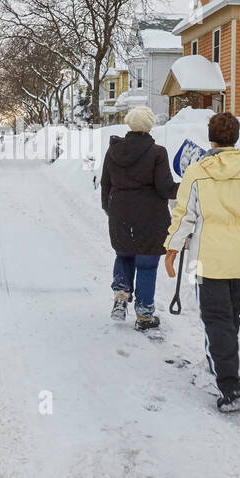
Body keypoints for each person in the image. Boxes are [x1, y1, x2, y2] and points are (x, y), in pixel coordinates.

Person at [164, 112, 240, 413]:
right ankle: (222, 359)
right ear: (235, 138)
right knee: (229, 319)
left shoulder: (196, 172)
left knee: (216, 321)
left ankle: (230, 387)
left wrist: (172, 249)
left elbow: (183, 215)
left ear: (210, 138)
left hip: (208, 262)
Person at [100, 106, 178, 330]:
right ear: (149, 126)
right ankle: (144, 315)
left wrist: (109, 208)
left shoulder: (113, 151)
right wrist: (185, 188)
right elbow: (164, 188)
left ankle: (121, 297)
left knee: (124, 255)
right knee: (146, 264)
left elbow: (106, 184)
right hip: (150, 217)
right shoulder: (157, 152)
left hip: (120, 213)